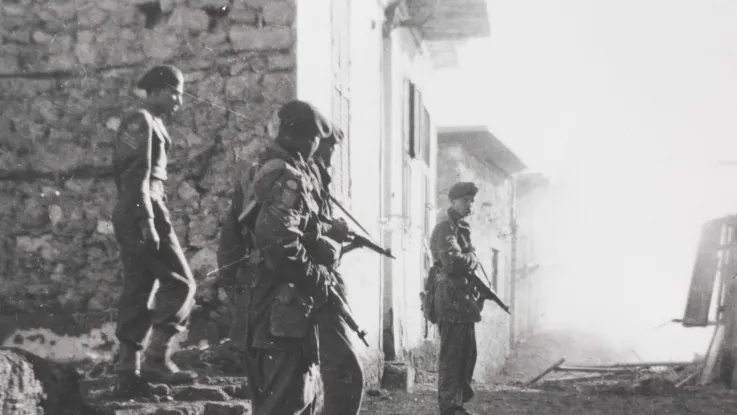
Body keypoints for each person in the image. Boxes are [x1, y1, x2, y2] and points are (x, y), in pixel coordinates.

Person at [244, 100, 348, 414]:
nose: (318, 148)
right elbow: (279, 241)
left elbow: (301, 228)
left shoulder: (283, 169)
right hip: (280, 311)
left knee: (297, 398)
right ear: (305, 138)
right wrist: (317, 276)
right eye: (317, 139)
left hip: (287, 310)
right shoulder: (285, 175)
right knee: (284, 402)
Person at [111, 65, 198, 398]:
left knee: (139, 287)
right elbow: (135, 175)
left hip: (143, 208)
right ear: (159, 90)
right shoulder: (141, 121)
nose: (178, 100)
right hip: (142, 209)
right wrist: (147, 222)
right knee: (181, 283)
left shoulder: (153, 123)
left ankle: (126, 372)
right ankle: (155, 360)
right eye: (175, 92)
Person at [308, 125, 365, 415]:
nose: (330, 157)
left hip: (320, 282)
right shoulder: (301, 179)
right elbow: (306, 234)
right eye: (327, 148)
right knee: (346, 371)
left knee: (340, 373)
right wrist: (334, 233)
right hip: (312, 286)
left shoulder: (317, 179)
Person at [429, 182, 484, 415]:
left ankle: (457, 404)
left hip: (463, 302)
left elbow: (467, 259)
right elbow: (454, 263)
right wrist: (472, 256)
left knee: (468, 353)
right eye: (465, 201)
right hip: (449, 301)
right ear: (453, 202)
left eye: (471, 201)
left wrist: (469, 257)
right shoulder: (445, 228)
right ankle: (449, 407)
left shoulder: (461, 228)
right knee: (452, 356)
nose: (469, 205)